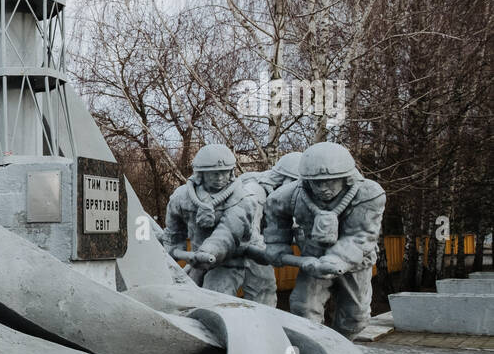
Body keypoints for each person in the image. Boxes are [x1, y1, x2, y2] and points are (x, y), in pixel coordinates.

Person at [263, 142, 386, 339]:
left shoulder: (369, 194)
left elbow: (361, 236)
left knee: (355, 317)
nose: (323, 188)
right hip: (313, 259)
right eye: (316, 182)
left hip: (354, 262)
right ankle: (314, 349)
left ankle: (343, 346)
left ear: (345, 178)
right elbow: (275, 209)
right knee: (304, 308)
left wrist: (336, 260)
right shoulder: (294, 194)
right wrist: (277, 244)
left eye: (329, 181)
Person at [159, 144, 261, 296]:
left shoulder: (243, 199)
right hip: (197, 261)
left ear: (231, 172)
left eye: (224, 173)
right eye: (213, 174)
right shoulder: (181, 197)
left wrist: (206, 253)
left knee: (215, 294)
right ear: (201, 174)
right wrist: (179, 254)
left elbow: (227, 234)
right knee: (177, 296)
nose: (219, 178)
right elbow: (173, 237)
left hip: (231, 262)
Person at [236, 151, 303, 307]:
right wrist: (271, 254)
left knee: (264, 287)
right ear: (286, 180)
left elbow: (291, 225)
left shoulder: (279, 195)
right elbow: (249, 232)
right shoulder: (254, 192)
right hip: (238, 245)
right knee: (263, 286)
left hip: (250, 246)